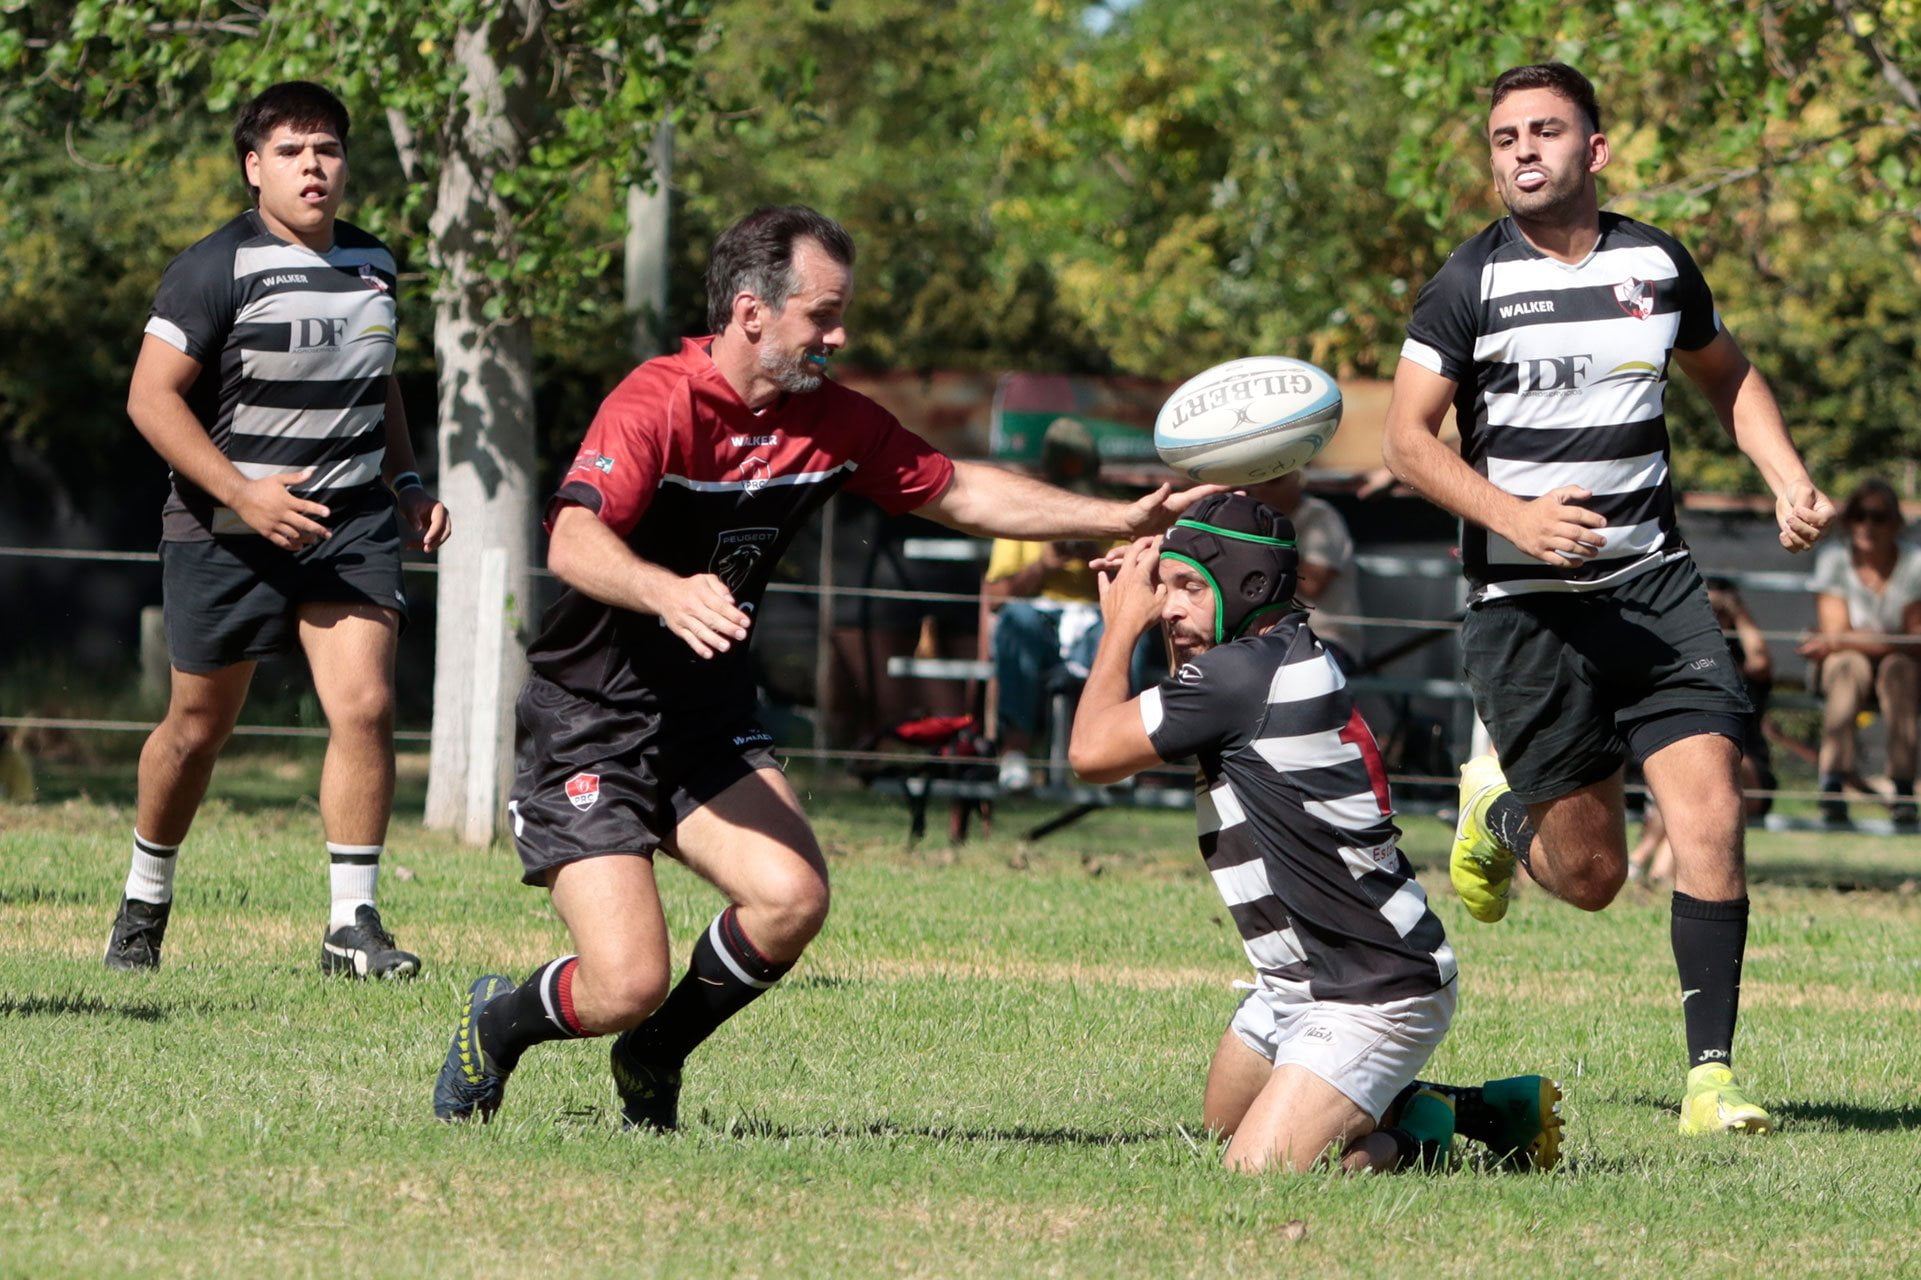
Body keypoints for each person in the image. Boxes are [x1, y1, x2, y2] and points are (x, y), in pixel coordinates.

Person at [432, 205, 1223, 1127]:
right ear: (750, 311)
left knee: (790, 900)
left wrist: (1115, 520)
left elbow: (957, 488)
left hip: (707, 717)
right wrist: (668, 591)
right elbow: (571, 539)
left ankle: (654, 1056)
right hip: (590, 721)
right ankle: (495, 1021)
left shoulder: (829, 420)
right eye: (823, 314)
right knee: (624, 978)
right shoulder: (657, 402)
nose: (839, 336)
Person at [1381, 62, 1834, 1137]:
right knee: (1588, 877)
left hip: (1654, 589)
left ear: (1595, 148)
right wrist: (1514, 517)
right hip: (1523, 606)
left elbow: (1727, 374)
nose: (1521, 151)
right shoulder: (1467, 282)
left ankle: (1711, 1078)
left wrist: (1784, 473)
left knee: (1712, 804)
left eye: (1544, 131)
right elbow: (1404, 441)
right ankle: (1498, 805)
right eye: (1502, 138)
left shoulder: (1654, 261)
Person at [1067, 493, 1563, 1174]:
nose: (1168, 606)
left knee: (1258, 1172)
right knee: (1223, 1126)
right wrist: (1163, 593)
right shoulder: (1267, 657)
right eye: (1164, 588)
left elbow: (1090, 753)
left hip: (1373, 991)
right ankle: (1473, 1109)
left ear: (1244, 585)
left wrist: (1119, 626)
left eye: (1187, 587)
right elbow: (1177, 703)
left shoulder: (1241, 677)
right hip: (1295, 983)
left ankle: (1419, 1140)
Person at [104, 82, 450, 979]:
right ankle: (145, 896)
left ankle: (352, 926)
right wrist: (246, 494)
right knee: (195, 729)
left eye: (327, 150)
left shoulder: (375, 263)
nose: (313, 167)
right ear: (254, 168)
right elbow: (150, 398)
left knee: (367, 706)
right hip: (225, 532)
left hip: (351, 523)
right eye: (292, 151)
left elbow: (378, 381)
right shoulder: (212, 267)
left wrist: (406, 482)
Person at [984, 417, 1155, 789]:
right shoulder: (1022, 511)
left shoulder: (1114, 511)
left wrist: (1098, 562)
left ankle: (1119, 754)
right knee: (1016, 620)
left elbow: (1139, 592)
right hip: (1038, 619)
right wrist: (1045, 565)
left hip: (1098, 617)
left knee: (1129, 626)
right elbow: (996, 596)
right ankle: (1015, 755)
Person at [1630, 578, 1778, 881]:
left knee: (1714, 767)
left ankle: (1641, 858)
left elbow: (1761, 659)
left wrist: (1738, 612)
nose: (1714, 616)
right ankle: (1658, 872)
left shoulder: (1743, 664)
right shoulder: (1679, 660)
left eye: (1720, 612)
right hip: (1689, 764)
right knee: (1690, 775)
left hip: (1746, 767)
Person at [1798, 477, 1920, 829]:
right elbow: (1837, 636)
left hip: (1901, 671)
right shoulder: (1834, 558)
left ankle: (1901, 789)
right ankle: (1832, 784)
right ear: (1849, 520)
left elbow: (1914, 642)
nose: (1868, 525)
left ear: (1895, 523)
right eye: (1859, 515)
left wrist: (1843, 639)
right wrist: (1856, 640)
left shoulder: (1915, 563)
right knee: (1849, 665)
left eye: (1878, 517)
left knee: (1899, 669)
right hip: (1844, 670)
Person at [1245, 469, 1363, 673]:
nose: (1261, 488)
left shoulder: (1321, 517)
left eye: (1273, 479)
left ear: (1297, 480)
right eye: (1254, 479)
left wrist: (1266, 541)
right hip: (1268, 641)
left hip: (1325, 640)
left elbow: (1312, 584)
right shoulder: (1246, 520)